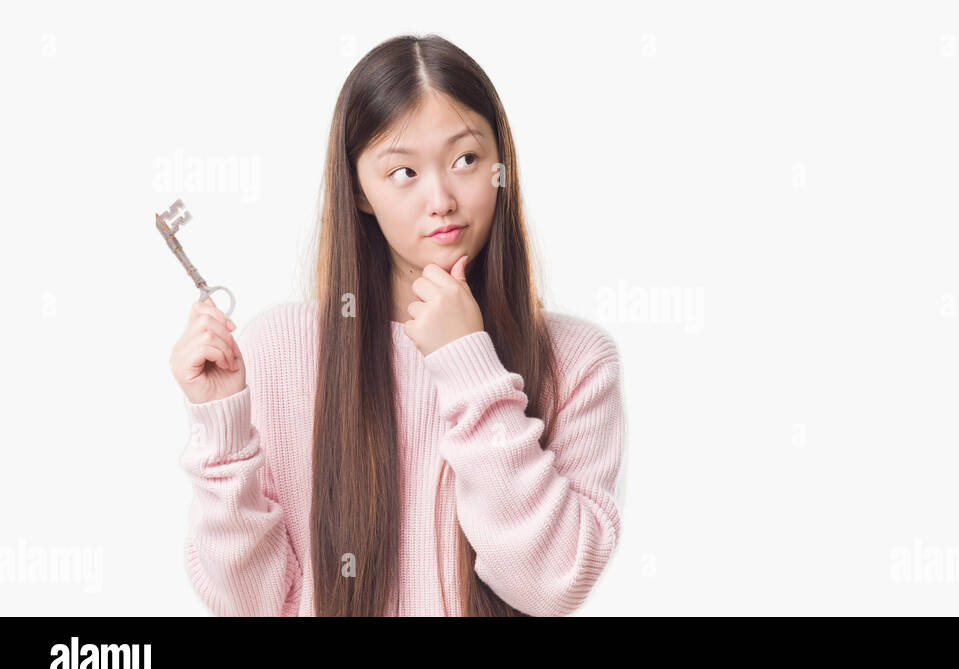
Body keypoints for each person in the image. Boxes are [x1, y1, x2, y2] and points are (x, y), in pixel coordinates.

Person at [169, 34, 627, 616]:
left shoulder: (578, 360)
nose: (441, 199)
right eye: (404, 171)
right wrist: (224, 431)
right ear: (359, 190)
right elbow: (250, 602)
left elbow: (549, 583)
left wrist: (469, 362)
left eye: (466, 159)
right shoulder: (279, 350)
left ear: (500, 168)